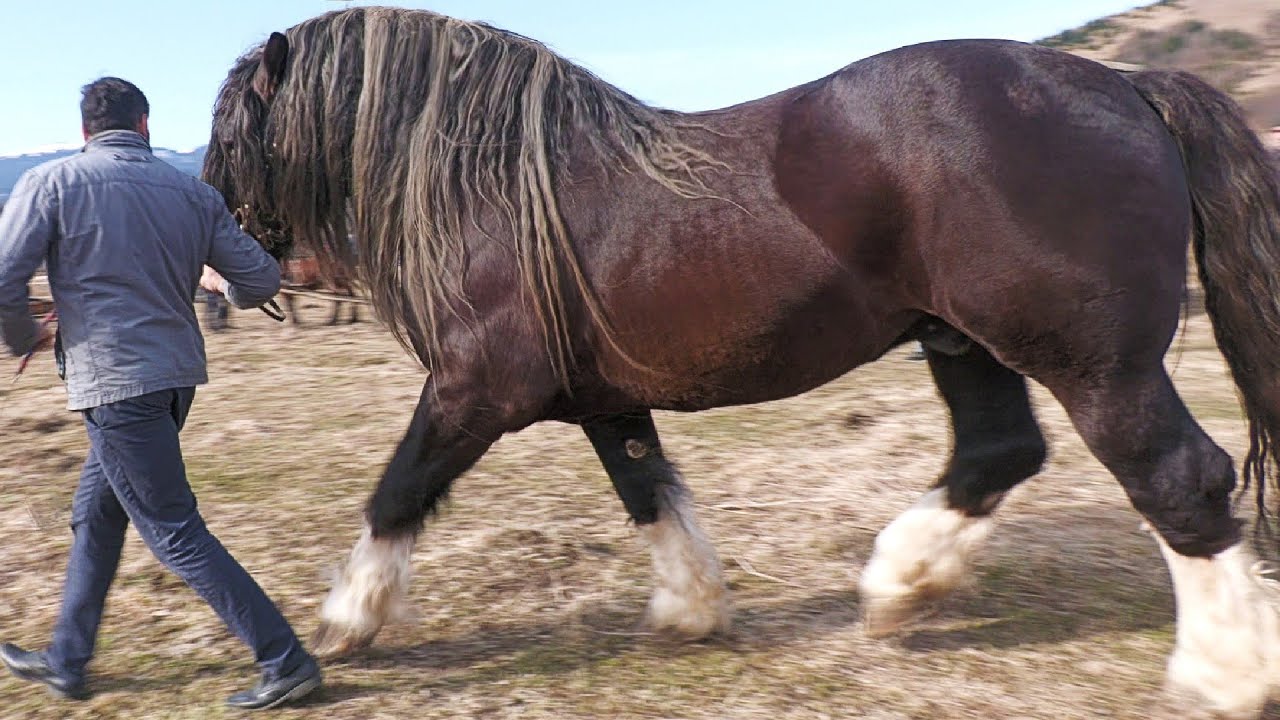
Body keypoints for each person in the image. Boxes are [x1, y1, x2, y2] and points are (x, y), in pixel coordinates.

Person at [0, 77, 321, 710]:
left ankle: (286, 660)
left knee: (174, 530)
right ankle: (67, 659)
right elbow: (258, 277)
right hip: (175, 381)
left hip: (116, 386)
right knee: (95, 513)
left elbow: (5, 277)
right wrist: (223, 288)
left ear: (86, 130)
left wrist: (25, 336)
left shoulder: (52, 183)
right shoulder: (192, 193)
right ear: (144, 126)